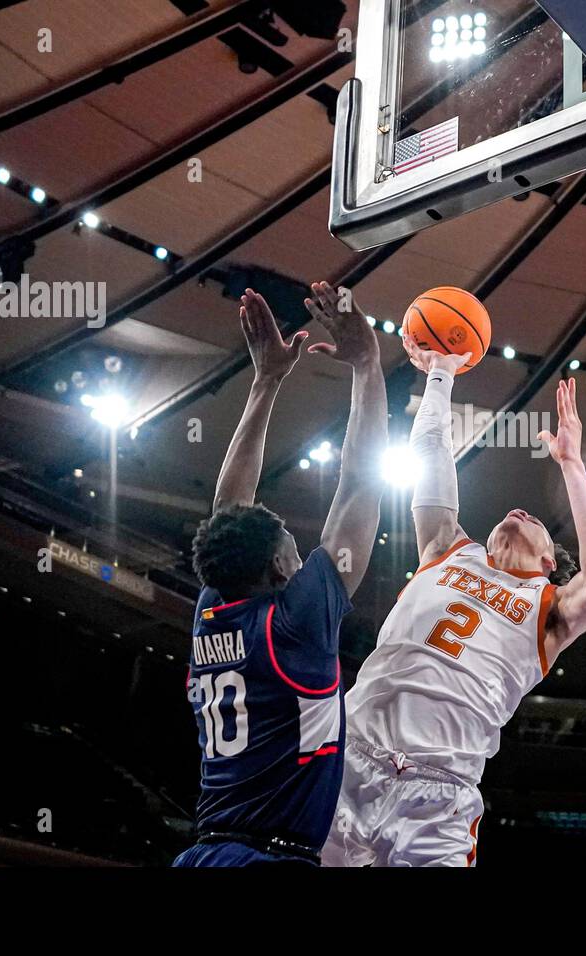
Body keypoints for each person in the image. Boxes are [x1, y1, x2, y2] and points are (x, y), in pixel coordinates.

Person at [322, 337, 586, 866]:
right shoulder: (446, 549)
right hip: (348, 759)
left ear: (552, 562)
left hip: (438, 798)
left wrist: (572, 465)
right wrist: (441, 375)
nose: (519, 511)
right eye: (516, 512)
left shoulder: (549, 610)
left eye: (535, 520)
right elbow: (431, 448)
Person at [173, 282, 387, 867]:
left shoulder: (217, 608)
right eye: (292, 544)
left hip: (206, 855)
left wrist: (266, 381)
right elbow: (361, 487)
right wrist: (367, 366)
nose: (301, 550)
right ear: (277, 565)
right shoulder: (296, 625)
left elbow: (228, 513)